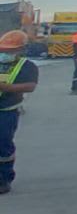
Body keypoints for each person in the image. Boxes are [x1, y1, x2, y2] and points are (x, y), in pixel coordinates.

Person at [1, 29, 39, 194]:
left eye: (10, 51)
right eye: (3, 50)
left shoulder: (27, 67)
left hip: (7, 111)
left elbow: (30, 86)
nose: (5, 53)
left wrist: (7, 88)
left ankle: (4, 179)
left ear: (21, 49)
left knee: (3, 145)